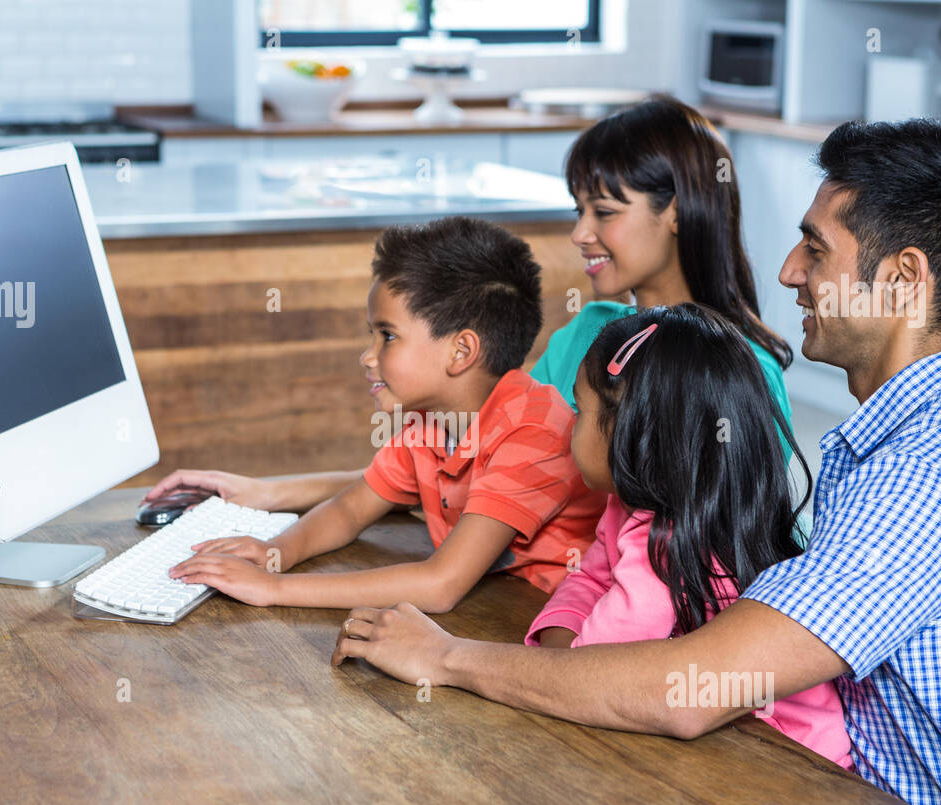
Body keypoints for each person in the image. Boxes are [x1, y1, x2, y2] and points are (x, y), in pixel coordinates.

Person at [333, 118, 941, 805]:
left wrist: (449, 660)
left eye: (815, 248)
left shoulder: (929, 476)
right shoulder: (922, 439)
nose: (789, 272)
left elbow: (692, 689)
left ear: (903, 278)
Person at [143, 94, 797, 513]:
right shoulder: (591, 331)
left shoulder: (737, 367)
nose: (580, 234)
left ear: (678, 212)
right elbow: (470, 461)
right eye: (578, 211)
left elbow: (723, 556)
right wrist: (265, 493)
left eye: (603, 212)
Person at [168, 216, 605, 609]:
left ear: (461, 351)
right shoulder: (426, 422)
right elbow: (350, 510)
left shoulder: (533, 430)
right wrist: (275, 553)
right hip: (495, 609)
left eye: (387, 337)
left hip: (560, 620)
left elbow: (440, 584)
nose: (368, 356)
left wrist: (273, 590)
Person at [527, 303, 852, 767]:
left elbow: (595, 672)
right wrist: (563, 652)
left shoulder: (667, 540)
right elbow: (588, 585)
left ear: (628, 427)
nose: (567, 431)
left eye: (580, 410)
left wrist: (564, 662)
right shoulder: (634, 506)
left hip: (790, 765)